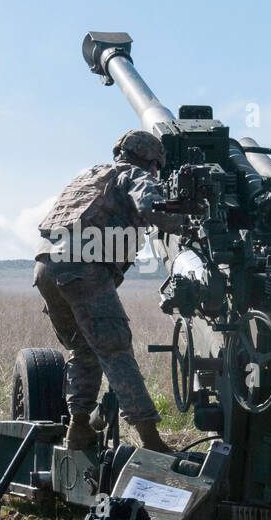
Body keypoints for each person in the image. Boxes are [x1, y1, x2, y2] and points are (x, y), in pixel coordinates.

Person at [34, 129, 186, 454]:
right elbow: (153, 205)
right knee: (116, 350)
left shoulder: (90, 176)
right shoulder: (133, 175)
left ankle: (77, 431)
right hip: (83, 267)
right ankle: (151, 440)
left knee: (84, 350)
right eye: (157, 168)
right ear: (151, 163)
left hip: (47, 267)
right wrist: (188, 226)